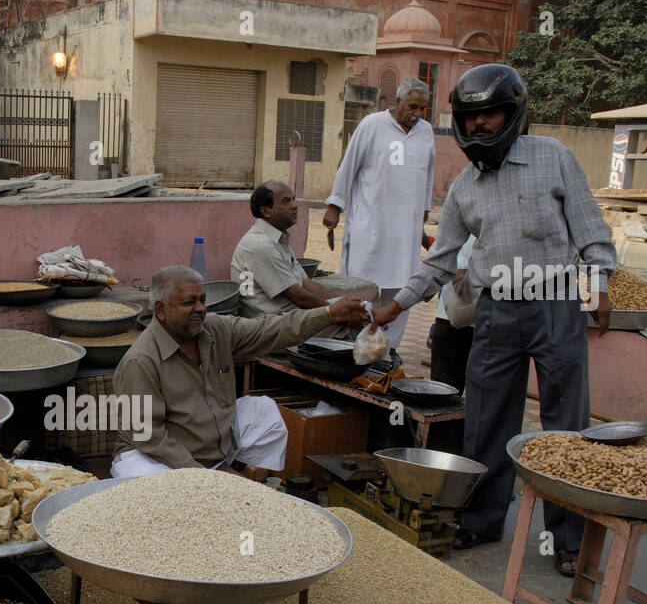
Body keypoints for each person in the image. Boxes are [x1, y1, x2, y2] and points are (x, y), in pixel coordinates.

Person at [370, 63, 615, 577]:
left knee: (564, 425)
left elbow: (590, 225)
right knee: (486, 418)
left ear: (514, 113)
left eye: (491, 114)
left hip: (556, 304)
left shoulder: (553, 158)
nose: (480, 125)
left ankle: (567, 540)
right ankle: (482, 518)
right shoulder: (463, 187)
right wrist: (397, 305)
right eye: (471, 117)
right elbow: (441, 260)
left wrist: (599, 282)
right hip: (496, 311)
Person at [111, 265, 369, 478]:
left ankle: (236, 473)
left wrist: (328, 314)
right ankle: (220, 479)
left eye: (202, 300)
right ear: (161, 310)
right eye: (189, 302)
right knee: (153, 489)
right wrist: (200, 475)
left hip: (210, 446)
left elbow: (272, 329)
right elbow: (150, 438)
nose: (200, 308)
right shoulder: (140, 361)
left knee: (263, 411)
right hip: (158, 456)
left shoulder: (215, 329)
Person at [323, 76, 436, 355]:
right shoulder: (372, 125)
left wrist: (422, 216)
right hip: (371, 225)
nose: (418, 114)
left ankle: (387, 352)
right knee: (364, 289)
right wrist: (334, 206)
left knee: (401, 291)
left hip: (406, 233)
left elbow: (428, 175)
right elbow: (348, 166)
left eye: (423, 109)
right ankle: (356, 349)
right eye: (412, 106)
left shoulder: (426, 132)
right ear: (396, 102)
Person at [231, 180, 377, 336]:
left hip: (292, 318)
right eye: (286, 201)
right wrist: (340, 314)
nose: (294, 205)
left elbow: (306, 284)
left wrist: (344, 304)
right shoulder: (259, 245)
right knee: (353, 330)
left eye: (293, 199)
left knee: (362, 311)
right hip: (273, 327)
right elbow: (300, 298)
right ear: (266, 211)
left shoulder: (277, 240)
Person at [428, 233, 478, 455]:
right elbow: (455, 270)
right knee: (444, 393)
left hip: (484, 321)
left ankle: (461, 454)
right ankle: (441, 454)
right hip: (455, 317)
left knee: (476, 397)